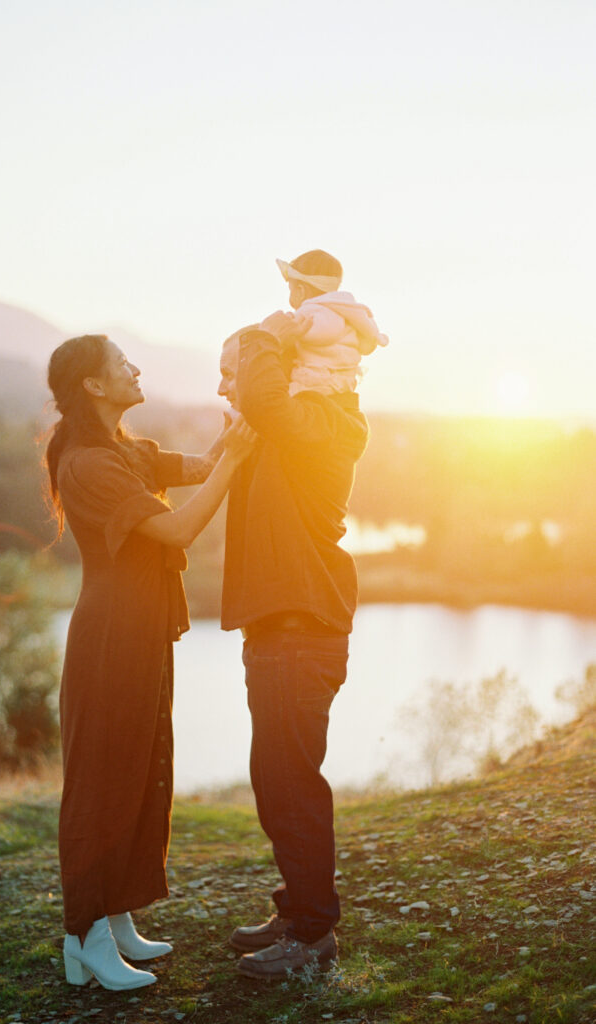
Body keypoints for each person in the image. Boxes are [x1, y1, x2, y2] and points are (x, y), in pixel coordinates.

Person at [45, 334, 255, 992]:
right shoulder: (86, 465)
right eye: (122, 365)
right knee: (100, 783)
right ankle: (85, 937)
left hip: (139, 636)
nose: (136, 369)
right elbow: (179, 529)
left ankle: (114, 912)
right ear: (94, 386)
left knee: (138, 769)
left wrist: (242, 427)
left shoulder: (124, 453)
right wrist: (233, 463)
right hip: (108, 639)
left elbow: (198, 464)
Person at [217, 314, 370, 980]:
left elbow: (260, 395)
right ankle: (295, 910)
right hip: (275, 630)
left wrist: (265, 331)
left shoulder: (324, 419)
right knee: (273, 782)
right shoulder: (280, 433)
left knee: (293, 785)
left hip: (301, 632)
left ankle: (312, 939)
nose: (226, 384)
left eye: (232, 368)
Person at [274, 249, 388, 397]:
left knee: (277, 400)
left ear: (301, 291)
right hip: (342, 378)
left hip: (316, 377)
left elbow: (326, 332)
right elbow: (367, 341)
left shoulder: (312, 310)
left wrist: (294, 331)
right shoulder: (347, 310)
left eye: (291, 290)